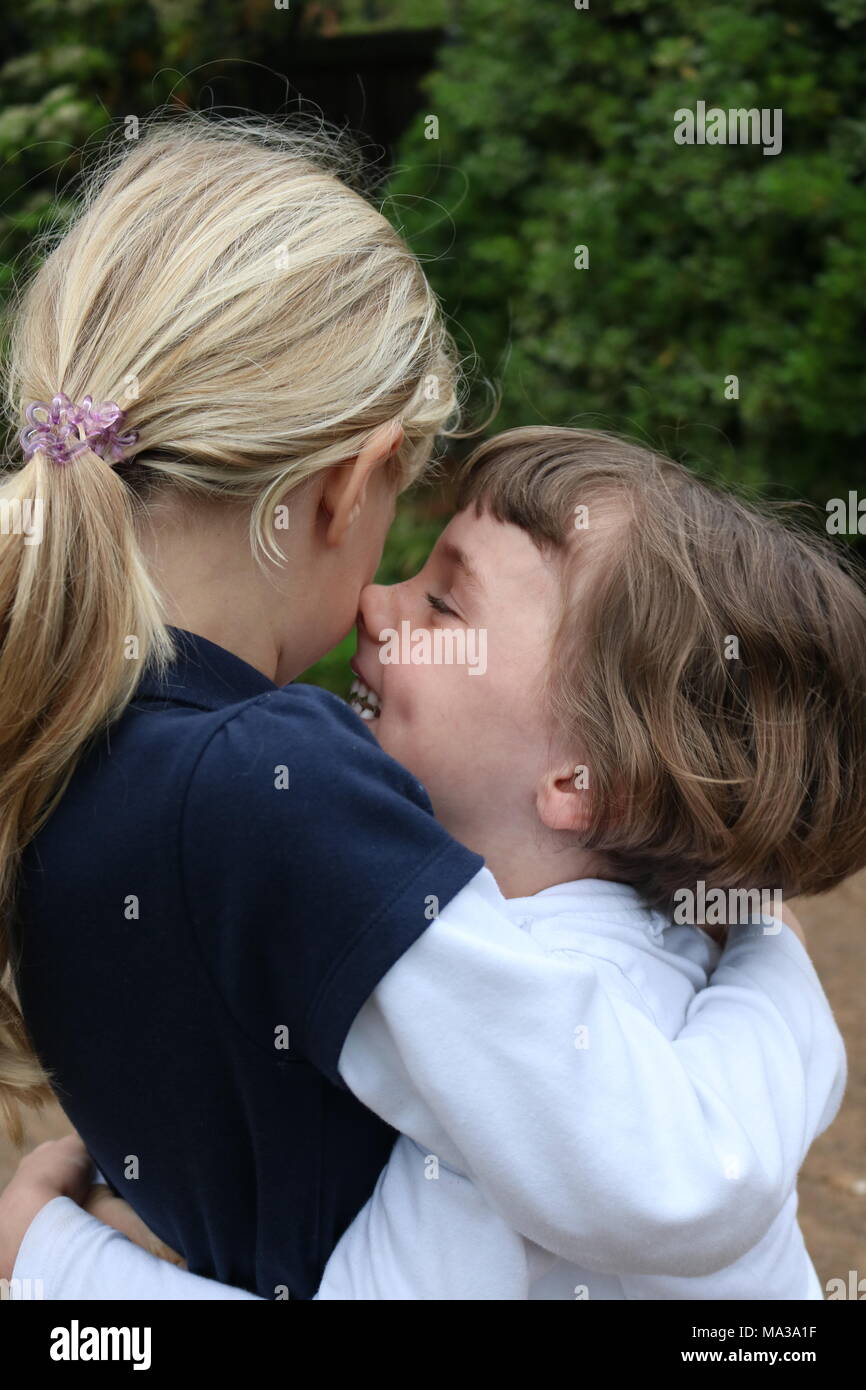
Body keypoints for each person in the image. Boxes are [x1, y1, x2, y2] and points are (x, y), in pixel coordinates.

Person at [0, 116, 851, 1300]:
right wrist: (763, 955)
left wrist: (51, 1264)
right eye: (414, 558)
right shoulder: (269, 784)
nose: (384, 607)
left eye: (445, 605)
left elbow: (668, 1183)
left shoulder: (79, 752)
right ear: (347, 487)